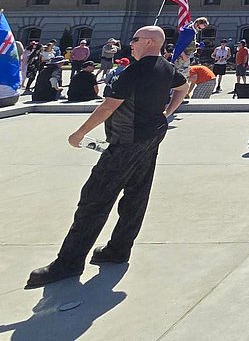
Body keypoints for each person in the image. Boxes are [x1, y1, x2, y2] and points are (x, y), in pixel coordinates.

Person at [26, 25, 189, 288]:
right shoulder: (167, 67)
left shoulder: (133, 72)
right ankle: (119, 248)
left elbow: (107, 107)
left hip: (126, 141)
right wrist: (166, 113)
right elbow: (183, 87)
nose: (131, 44)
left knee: (94, 199)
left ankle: (68, 262)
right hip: (152, 135)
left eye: (135, 40)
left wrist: (79, 133)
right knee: (136, 195)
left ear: (148, 42)